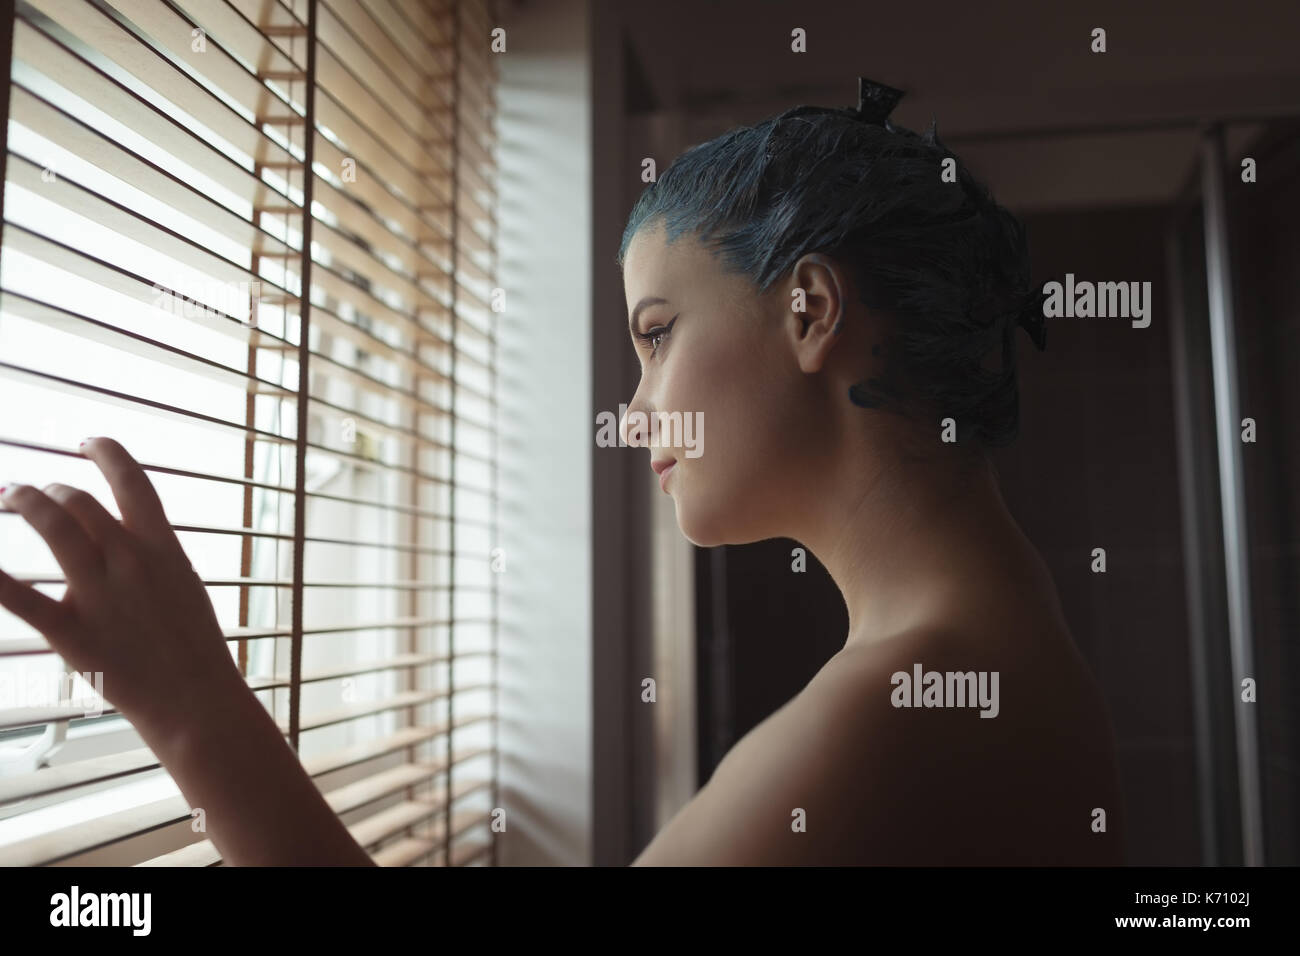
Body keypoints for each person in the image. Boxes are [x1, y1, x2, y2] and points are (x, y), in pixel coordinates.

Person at [0, 86, 1126, 866]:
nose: (634, 411)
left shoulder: (885, 717)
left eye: (654, 331)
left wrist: (194, 707)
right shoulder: (999, 646)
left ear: (808, 309)